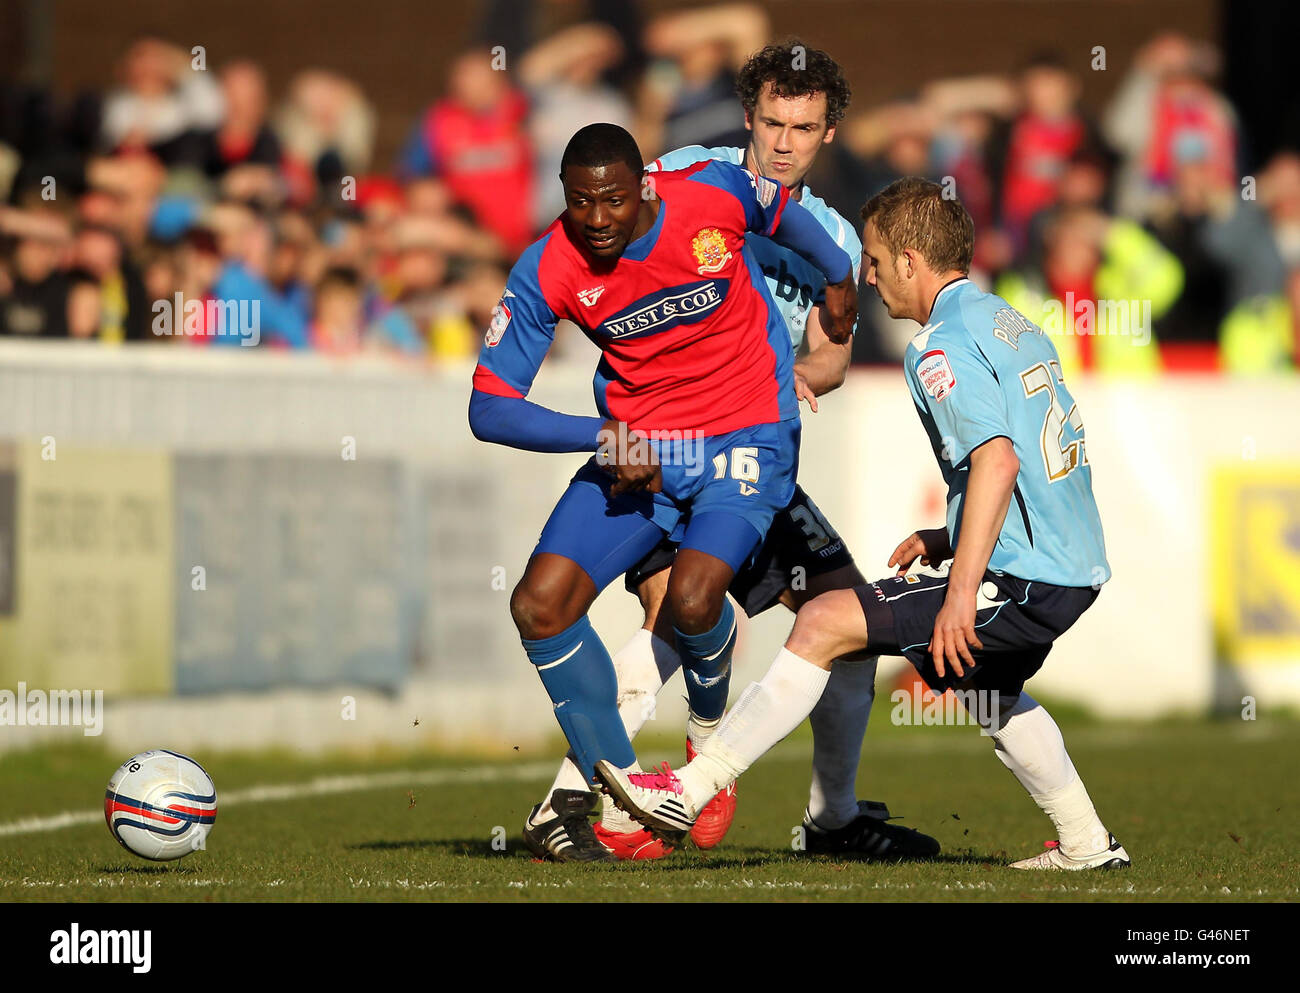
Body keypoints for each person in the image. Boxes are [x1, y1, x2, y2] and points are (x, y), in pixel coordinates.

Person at [598, 177, 1131, 872]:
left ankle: (687, 793)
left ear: (911, 261)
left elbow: (997, 460)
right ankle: (1088, 843)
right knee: (985, 688)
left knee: (823, 619)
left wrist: (962, 589)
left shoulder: (936, 345)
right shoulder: (1008, 321)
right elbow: (1029, 455)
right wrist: (950, 537)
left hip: (1028, 577)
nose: (868, 278)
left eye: (876, 261)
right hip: (1067, 566)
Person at [524, 41, 939, 864]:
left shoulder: (824, 232)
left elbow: (831, 359)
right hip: (667, 448)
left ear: (829, 133)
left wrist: (774, 374)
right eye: (773, 123)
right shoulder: (683, 175)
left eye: (805, 127)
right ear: (747, 118)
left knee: (842, 623)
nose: (785, 142)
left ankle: (827, 813)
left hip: (752, 448)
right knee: (678, 614)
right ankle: (582, 798)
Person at [469, 122, 856, 863]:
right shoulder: (547, 265)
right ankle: (617, 786)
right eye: (581, 202)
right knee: (538, 604)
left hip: (748, 433)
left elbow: (784, 216)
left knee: (691, 597)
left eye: (613, 199)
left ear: (643, 185)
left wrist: (839, 279)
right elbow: (489, 404)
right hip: (640, 451)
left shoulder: (710, 195)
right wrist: (602, 435)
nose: (598, 218)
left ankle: (705, 739)